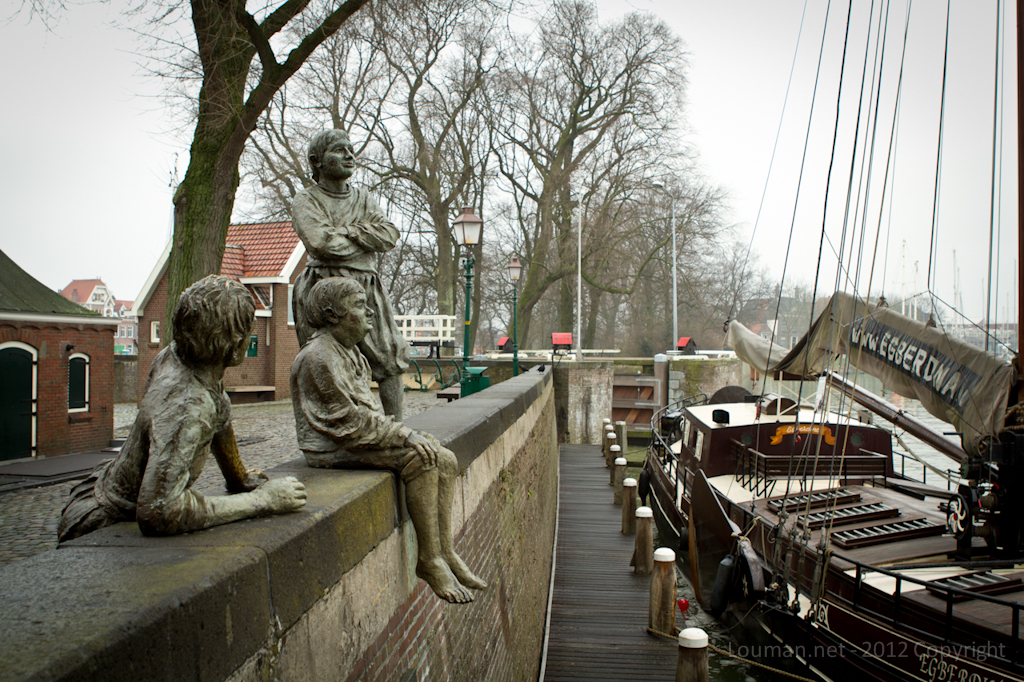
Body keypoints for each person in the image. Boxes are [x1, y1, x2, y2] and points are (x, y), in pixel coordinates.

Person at [58, 276, 307, 542]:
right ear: (233, 347)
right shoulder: (189, 408)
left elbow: (219, 406)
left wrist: (239, 477)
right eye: (248, 330)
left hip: (104, 487)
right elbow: (159, 510)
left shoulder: (175, 355)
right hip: (106, 519)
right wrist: (261, 501)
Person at [290, 277, 486, 604]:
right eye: (358, 306)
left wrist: (404, 432)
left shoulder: (352, 355)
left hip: (351, 437)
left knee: (446, 459)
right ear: (331, 314)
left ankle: (445, 550)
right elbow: (348, 420)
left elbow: (367, 415)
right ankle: (429, 560)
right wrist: (403, 434)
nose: (369, 313)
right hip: (330, 446)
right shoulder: (318, 356)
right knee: (421, 459)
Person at [291, 128, 409, 420]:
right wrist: (362, 238)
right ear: (317, 161)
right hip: (324, 288)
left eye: (350, 149)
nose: (349, 155)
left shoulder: (364, 198)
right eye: (339, 150)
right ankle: (334, 432)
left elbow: (390, 235)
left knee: (389, 357)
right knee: (326, 362)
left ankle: (397, 427)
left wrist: (347, 233)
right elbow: (320, 242)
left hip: (365, 286)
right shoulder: (307, 200)